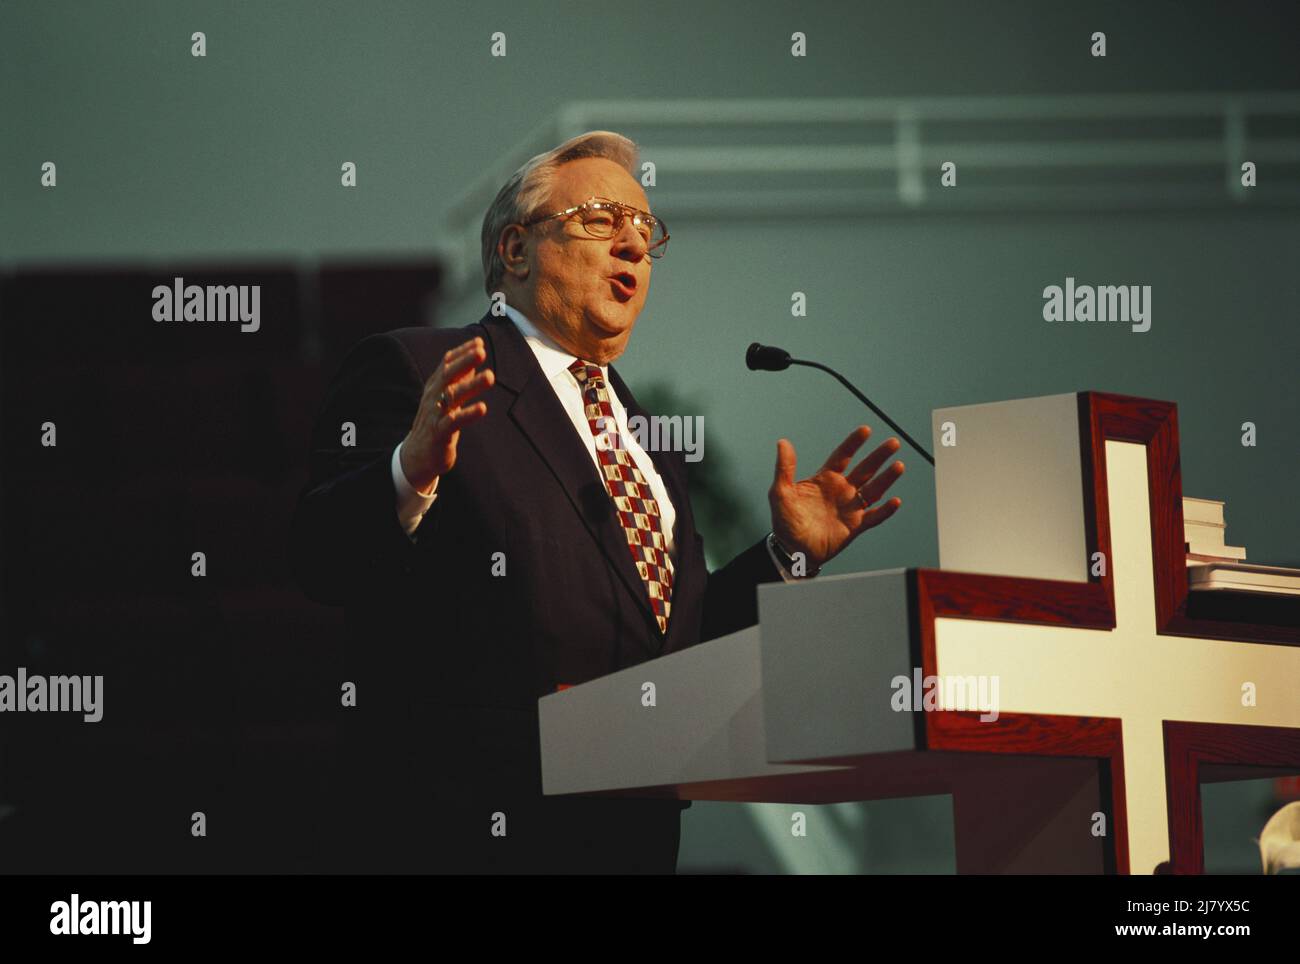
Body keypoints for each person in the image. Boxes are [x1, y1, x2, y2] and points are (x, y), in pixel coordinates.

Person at [288, 130, 905, 873]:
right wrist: (408, 472)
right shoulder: (424, 370)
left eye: (646, 231)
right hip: (467, 833)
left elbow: (682, 651)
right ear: (515, 251)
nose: (635, 247)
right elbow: (319, 559)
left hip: (633, 837)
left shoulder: (648, 436)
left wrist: (786, 557)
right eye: (604, 220)